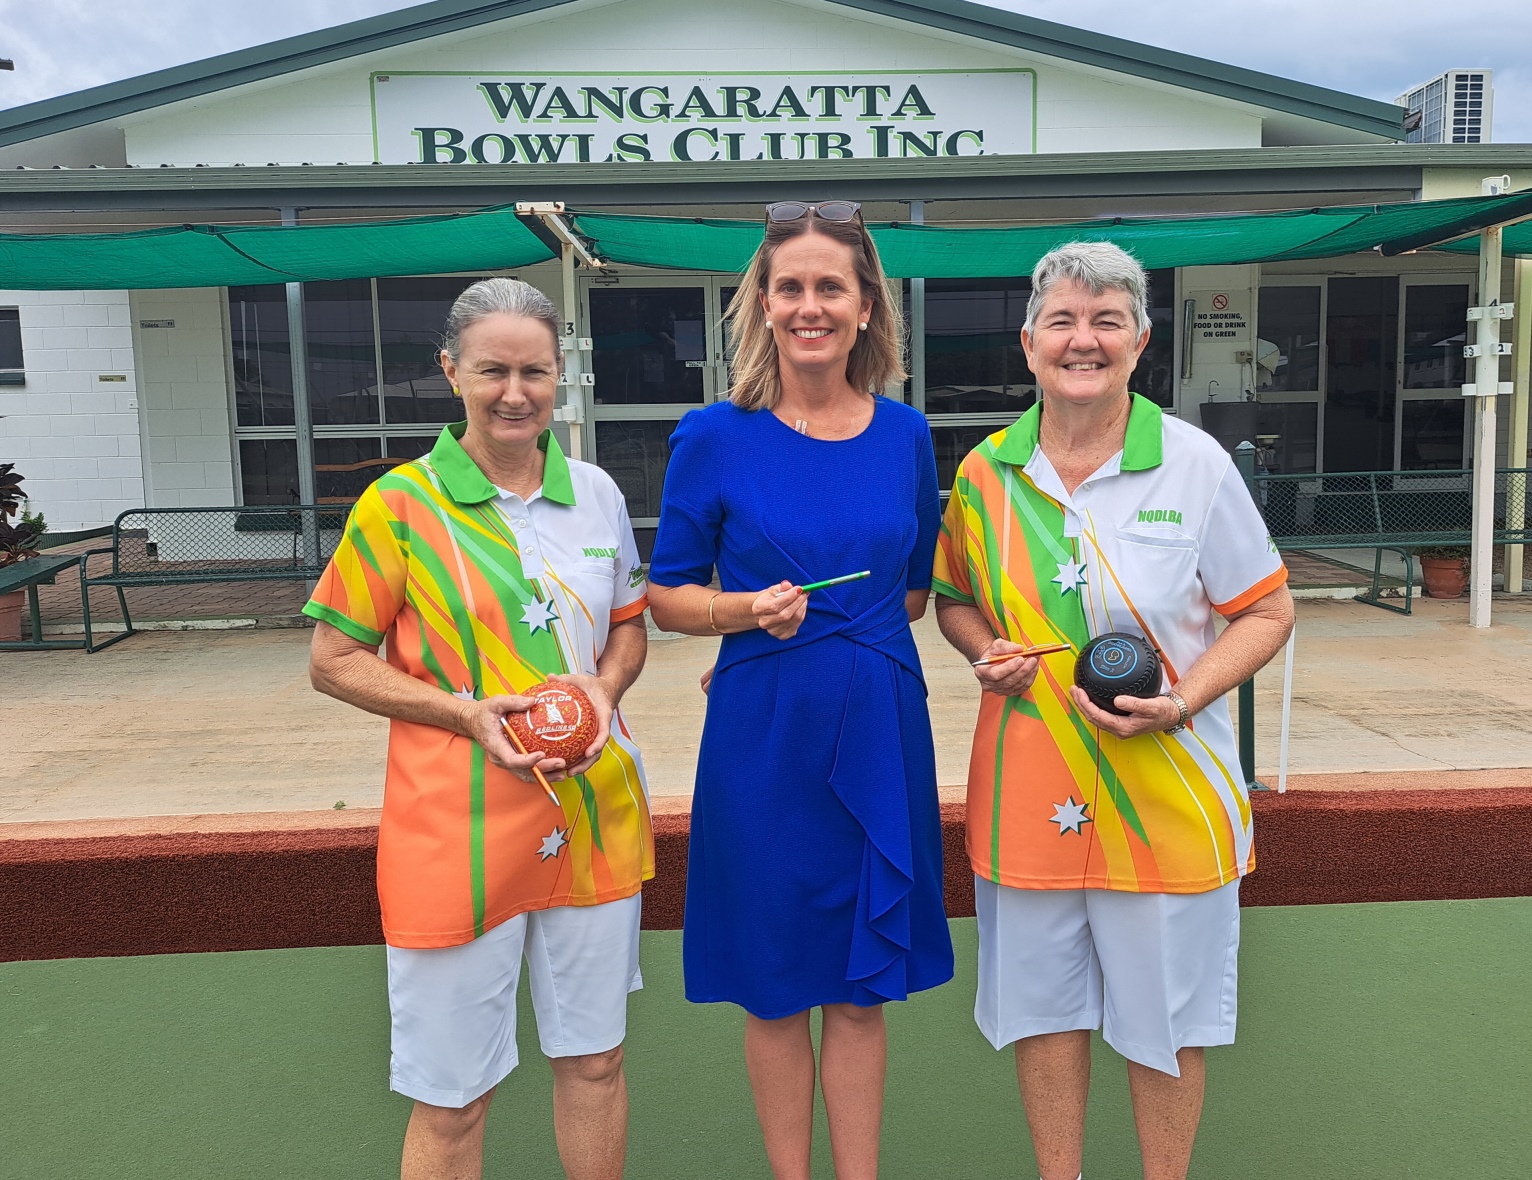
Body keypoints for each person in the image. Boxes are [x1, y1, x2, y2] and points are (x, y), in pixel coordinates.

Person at [933, 241, 1294, 1180]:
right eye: (1061, 320)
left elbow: (1267, 610)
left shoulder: (1195, 465)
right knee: (1045, 1019)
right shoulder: (985, 474)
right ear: (1028, 343)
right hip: (1029, 799)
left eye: (1106, 321)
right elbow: (954, 600)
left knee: (1164, 1028)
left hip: (1168, 798)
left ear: (1140, 342)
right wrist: (984, 652)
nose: (1082, 340)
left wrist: (1182, 701)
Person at [304, 278, 654, 1180]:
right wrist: (465, 713)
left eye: (535, 372)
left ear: (560, 376)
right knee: (453, 1101)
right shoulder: (399, 505)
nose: (515, 393)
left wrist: (605, 688)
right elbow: (332, 659)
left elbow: (627, 629)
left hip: (592, 818)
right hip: (452, 833)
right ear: (450, 370)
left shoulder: (597, 494)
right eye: (493, 370)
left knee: (595, 1063)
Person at [647, 200, 954, 1180]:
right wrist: (742, 616)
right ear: (763, 304)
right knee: (776, 985)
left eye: (831, 286)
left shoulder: (906, 435)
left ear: (866, 306)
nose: (809, 305)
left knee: (862, 992)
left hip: (879, 723)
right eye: (790, 288)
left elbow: (910, 595)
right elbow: (665, 596)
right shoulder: (711, 435)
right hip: (764, 733)